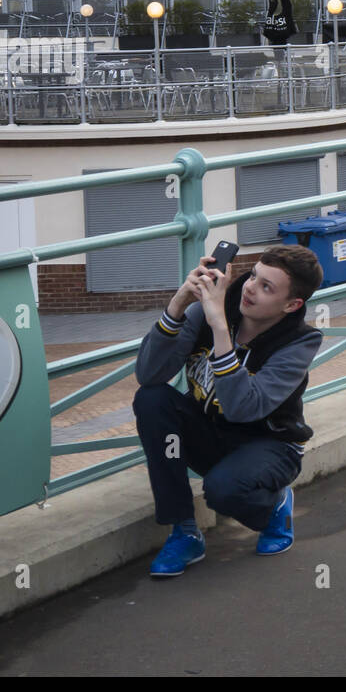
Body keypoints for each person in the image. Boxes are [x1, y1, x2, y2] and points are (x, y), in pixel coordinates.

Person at [133, 245, 324, 577]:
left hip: (269, 445)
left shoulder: (299, 343)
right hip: (211, 432)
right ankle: (184, 531)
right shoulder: (209, 309)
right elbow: (149, 374)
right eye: (253, 276)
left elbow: (241, 408)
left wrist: (220, 329)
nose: (250, 288)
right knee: (152, 399)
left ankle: (275, 506)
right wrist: (179, 303)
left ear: (292, 305)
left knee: (224, 490)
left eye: (267, 287)